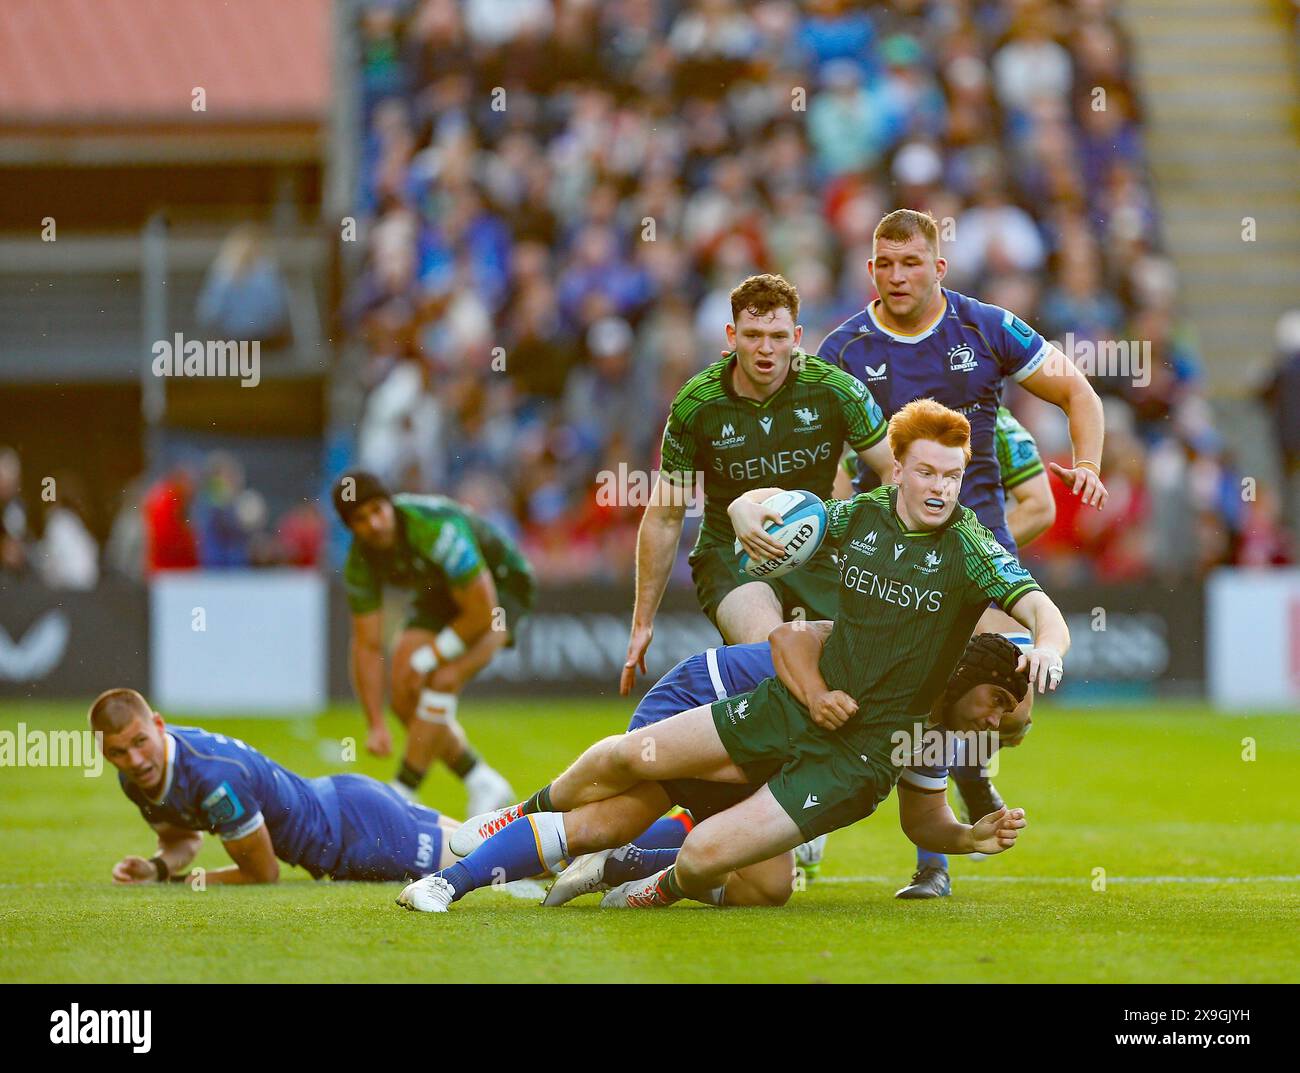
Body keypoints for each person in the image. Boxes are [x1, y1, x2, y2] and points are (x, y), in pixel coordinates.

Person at [403, 399, 1066, 911]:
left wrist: (1049, 646)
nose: (942, 487)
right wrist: (751, 513)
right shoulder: (864, 523)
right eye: (927, 471)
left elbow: (1036, 607)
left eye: (954, 475)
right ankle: (493, 842)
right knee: (619, 798)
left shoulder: (958, 586)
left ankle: (635, 874)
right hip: (730, 693)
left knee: (753, 879)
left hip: (823, 756)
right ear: (898, 470)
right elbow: (787, 626)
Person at [817, 207, 1102, 894]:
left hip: (978, 555)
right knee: (905, 705)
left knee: (1002, 714)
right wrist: (828, 523)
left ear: (938, 267)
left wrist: (1088, 461)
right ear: (870, 270)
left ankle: (970, 781)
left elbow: (1076, 388)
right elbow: (826, 457)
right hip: (887, 559)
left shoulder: (987, 327)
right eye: (884, 264)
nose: (896, 276)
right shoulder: (844, 350)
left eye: (910, 263)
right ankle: (931, 856)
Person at [396, 623, 1030, 913]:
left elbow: (924, 819)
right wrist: (816, 696)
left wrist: (967, 837)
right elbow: (792, 637)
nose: (994, 723)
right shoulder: (894, 657)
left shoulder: (939, 732)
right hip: (711, 701)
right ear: (966, 676)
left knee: (768, 890)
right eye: (997, 704)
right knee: (612, 807)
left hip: (769, 761)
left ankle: (624, 867)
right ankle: (470, 864)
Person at [621, 272, 893, 696]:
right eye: (752, 335)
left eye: (778, 336)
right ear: (731, 335)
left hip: (816, 550)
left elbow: (897, 473)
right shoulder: (696, 405)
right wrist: (642, 622)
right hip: (730, 555)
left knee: (854, 670)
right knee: (771, 660)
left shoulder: (835, 390)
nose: (766, 348)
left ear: (797, 336)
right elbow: (665, 517)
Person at [93, 688, 458, 886]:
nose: (135, 761)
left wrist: (180, 883)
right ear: (104, 752)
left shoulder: (214, 780)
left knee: (498, 859)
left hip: (358, 837)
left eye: (140, 742)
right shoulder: (136, 779)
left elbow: (262, 874)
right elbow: (182, 838)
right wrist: (157, 868)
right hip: (350, 801)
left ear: (158, 724)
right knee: (489, 835)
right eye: (118, 752)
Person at [334, 470, 533, 814]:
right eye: (360, 519)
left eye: (378, 510)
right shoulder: (358, 563)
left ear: (390, 504)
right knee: (402, 696)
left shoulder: (433, 527)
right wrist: (375, 724)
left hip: (500, 590)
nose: (375, 524)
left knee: (443, 678)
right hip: (440, 592)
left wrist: (429, 658)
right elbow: (366, 645)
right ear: (350, 528)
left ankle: (404, 792)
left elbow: (482, 613)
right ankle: (483, 781)